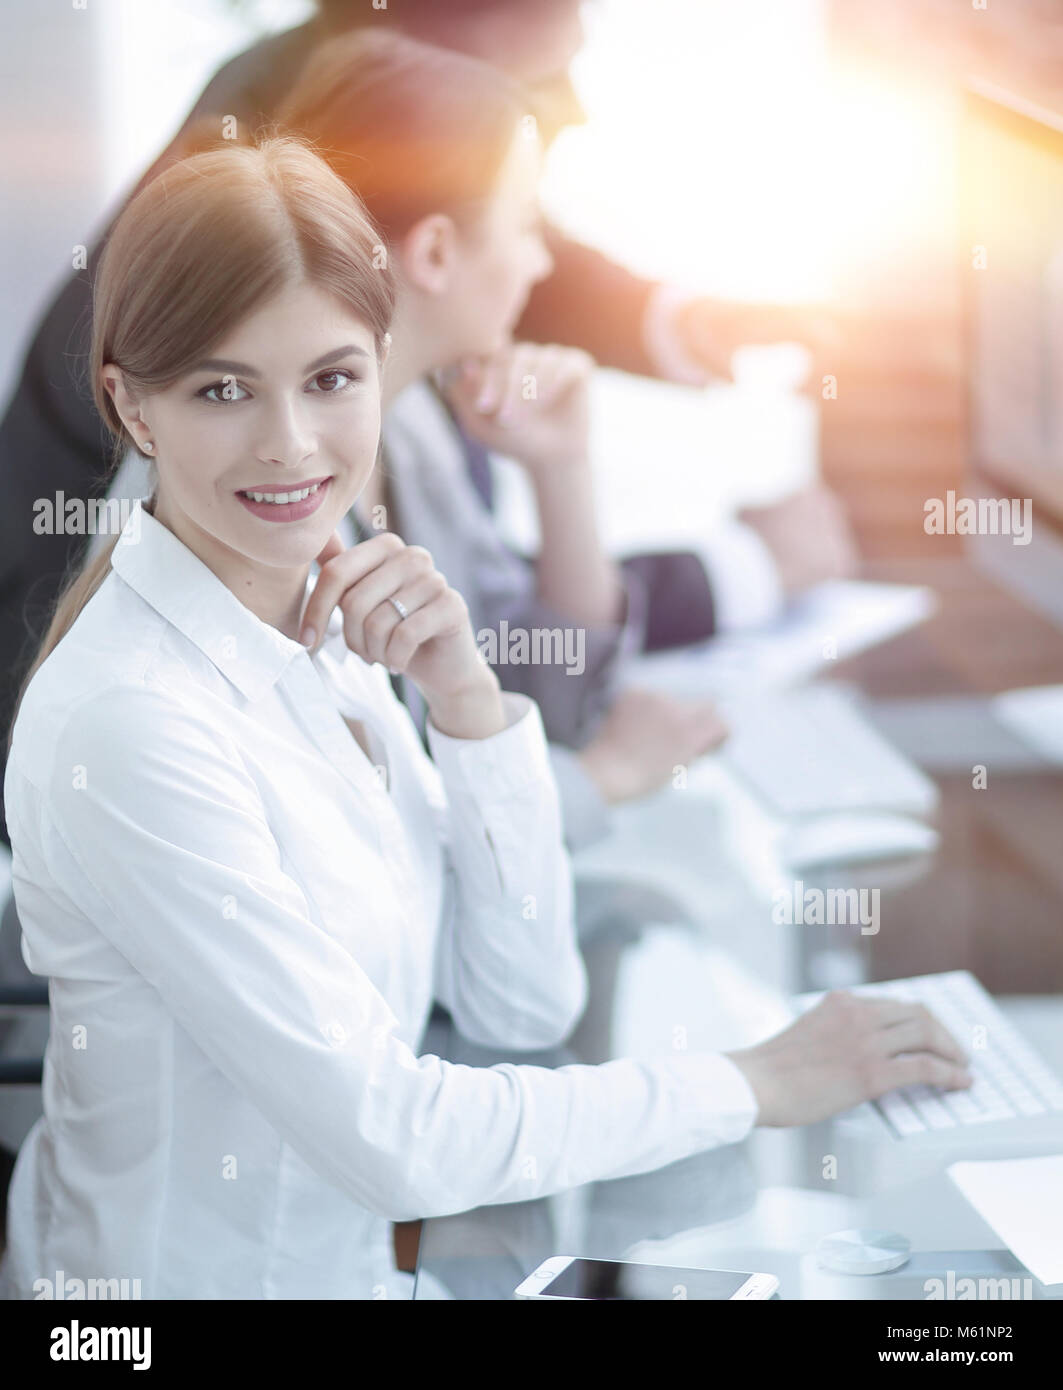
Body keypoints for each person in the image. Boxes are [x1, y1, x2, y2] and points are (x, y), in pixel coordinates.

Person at [0, 137, 970, 1300]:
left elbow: (522, 1002)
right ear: (131, 407)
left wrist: (468, 707)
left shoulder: (322, 598)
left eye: (331, 378)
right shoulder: (135, 726)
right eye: (223, 389)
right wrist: (756, 1081)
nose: (291, 446)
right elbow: (392, 1138)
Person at [0, 0, 843, 843]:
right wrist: (599, 776)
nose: (575, 107)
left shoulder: (396, 403)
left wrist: (566, 467)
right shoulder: (263, 464)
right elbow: (381, 842)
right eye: (545, 77)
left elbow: (505, 666)